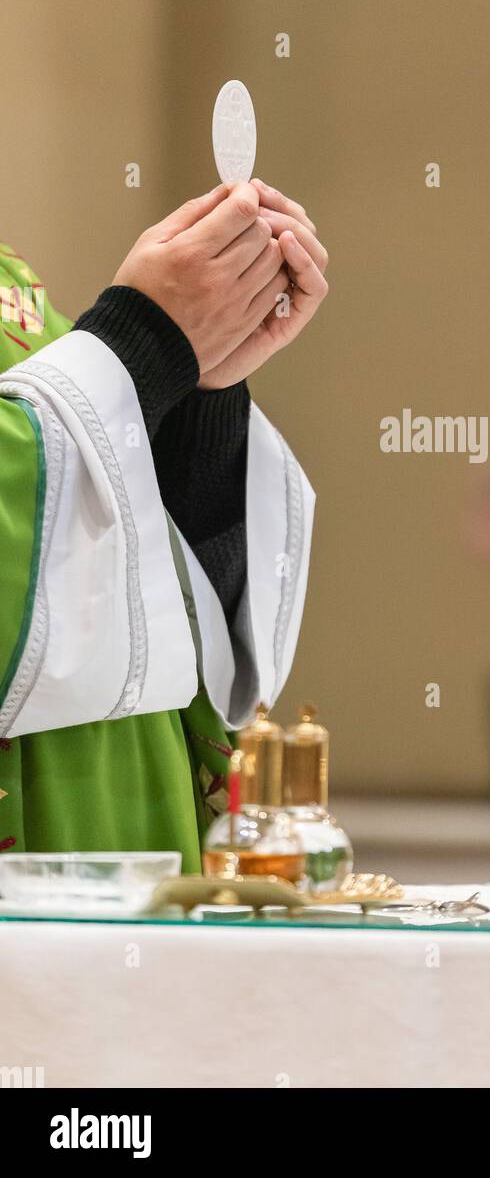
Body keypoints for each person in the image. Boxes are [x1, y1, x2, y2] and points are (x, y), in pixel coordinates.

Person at [0, 179, 329, 870]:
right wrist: (141, 343)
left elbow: (140, 587)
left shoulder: (14, 291)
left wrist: (199, 396)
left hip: (120, 806)